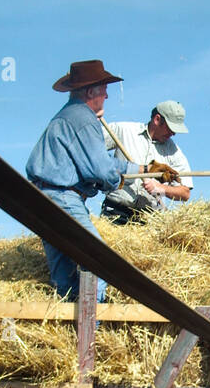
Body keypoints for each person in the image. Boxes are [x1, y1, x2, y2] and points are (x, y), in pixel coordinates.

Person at [26, 59, 179, 300]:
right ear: (90, 92)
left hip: (42, 199)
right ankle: (90, 332)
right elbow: (101, 171)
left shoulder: (67, 116)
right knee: (99, 261)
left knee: (63, 275)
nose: (106, 96)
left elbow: (102, 163)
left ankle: (73, 331)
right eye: (104, 90)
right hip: (64, 199)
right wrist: (116, 181)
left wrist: (145, 168)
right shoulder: (84, 119)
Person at [101, 101, 193, 225]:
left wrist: (161, 188)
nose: (173, 133)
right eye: (171, 128)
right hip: (115, 211)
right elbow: (91, 147)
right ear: (157, 119)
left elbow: (185, 192)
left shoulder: (174, 152)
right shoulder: (123, 131)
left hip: (149, 219)